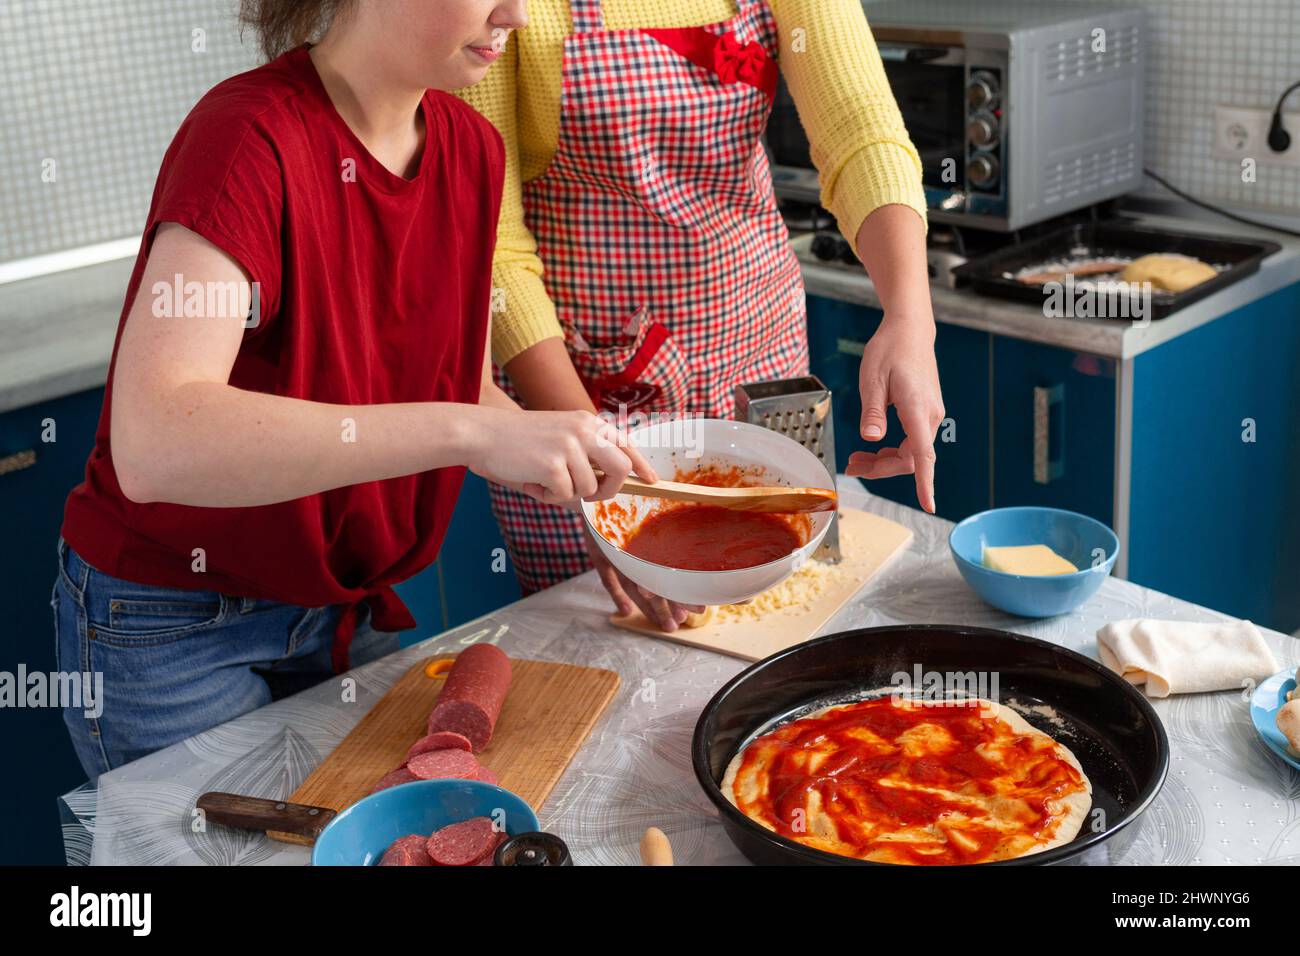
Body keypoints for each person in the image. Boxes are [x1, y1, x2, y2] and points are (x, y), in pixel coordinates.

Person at [52, 0, 652, 781]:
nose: (516, 13)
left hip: (338, 605)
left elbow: (454, 383)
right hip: (175, 625)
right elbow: (156, 440)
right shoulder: (247, 138)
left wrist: (555, 463)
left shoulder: (471, 149)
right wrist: (472, 434)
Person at [458, 0, 945, 631]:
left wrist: (910, 314)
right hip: (580, 389)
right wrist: (590, 455)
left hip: (759, 356)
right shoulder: (516, 8)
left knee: (777, 622)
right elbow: (490, 237)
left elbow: (860, 132)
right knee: (615, 643)